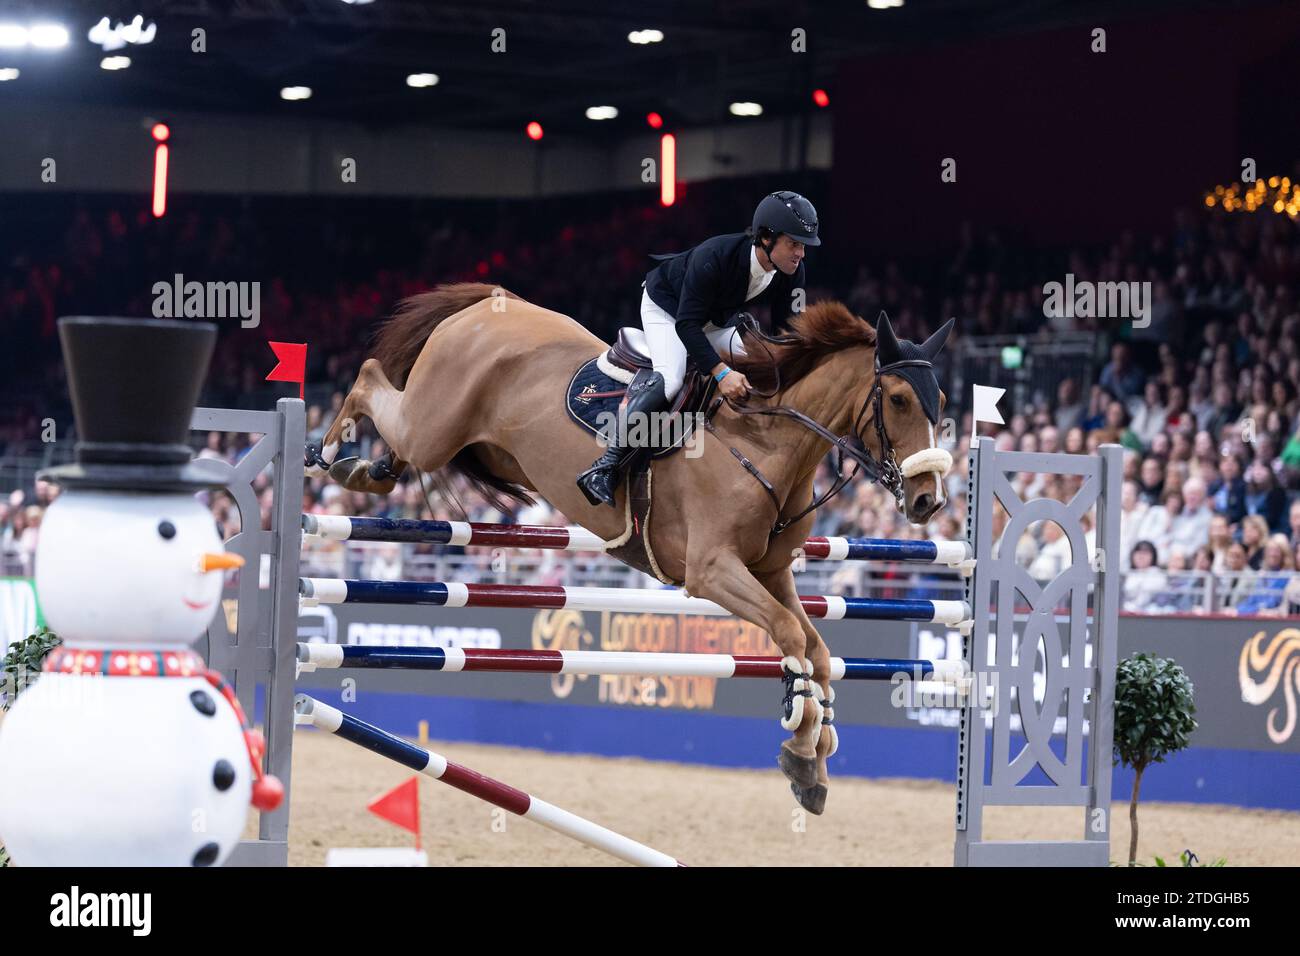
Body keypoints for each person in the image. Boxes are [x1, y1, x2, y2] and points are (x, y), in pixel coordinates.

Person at [576, 190, 818, 507]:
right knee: (672, 378)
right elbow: (687, 325)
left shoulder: (791, 271)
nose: (801, 252)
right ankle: (605, 466)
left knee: (762, 366)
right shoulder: (715, 256)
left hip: (714, 320)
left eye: (803, 245)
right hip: (668, 309)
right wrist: (721, 373)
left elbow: (786, 334)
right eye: (794, 243)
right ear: (766, 238)